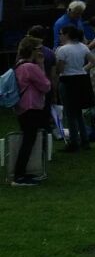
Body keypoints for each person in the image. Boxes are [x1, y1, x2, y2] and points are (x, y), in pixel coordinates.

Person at [10, 38, 53, 186]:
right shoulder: (30, 67)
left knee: (28, 140)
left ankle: (21, 172)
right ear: (32, 50)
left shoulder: (19, 65)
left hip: (22, 107)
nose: (41, 52)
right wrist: (41, 65)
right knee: (29, 141)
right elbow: (46, 85)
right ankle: (19, 175)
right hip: (32, 107)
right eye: (38, 49)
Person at [54, 24, 95, 153]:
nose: (59, 36)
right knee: (78, 112)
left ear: (67, 35)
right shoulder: (82, 46)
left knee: (70, 113)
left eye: (61, 34)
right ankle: (85, 140)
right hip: (81, 79)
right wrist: (82, 69)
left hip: (67, 80)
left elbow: (60, 69)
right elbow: (94, 61)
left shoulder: (62, 50)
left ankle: (73, 142)